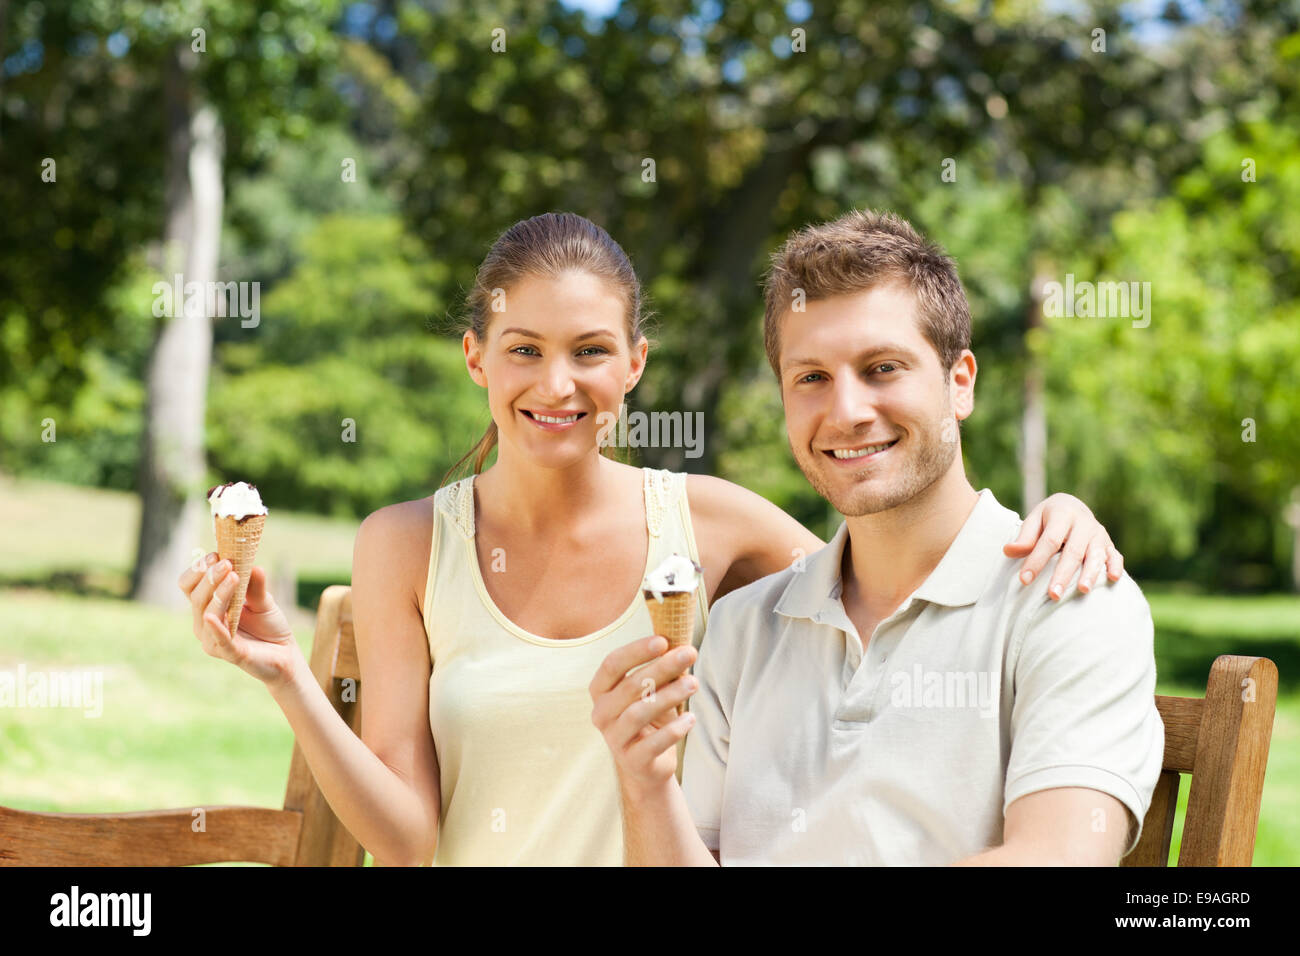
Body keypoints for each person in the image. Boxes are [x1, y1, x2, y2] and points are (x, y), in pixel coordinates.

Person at [178, 212, 1127, 866]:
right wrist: (287, 675)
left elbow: (888, 565)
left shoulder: (716, 534)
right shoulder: (411, 543)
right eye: (524, 350)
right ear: (477, 358)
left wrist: (1055, 523)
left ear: (633, 365)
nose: (558, 386)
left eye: (590, 351)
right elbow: (410, 837)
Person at [591, 209, 1164, 866]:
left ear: (960, 383)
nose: (847, 412)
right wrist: (644, 783)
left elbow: (1060, 857)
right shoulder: (742, 628)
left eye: (883, 367)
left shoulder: (1068, 599)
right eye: (811, 378)